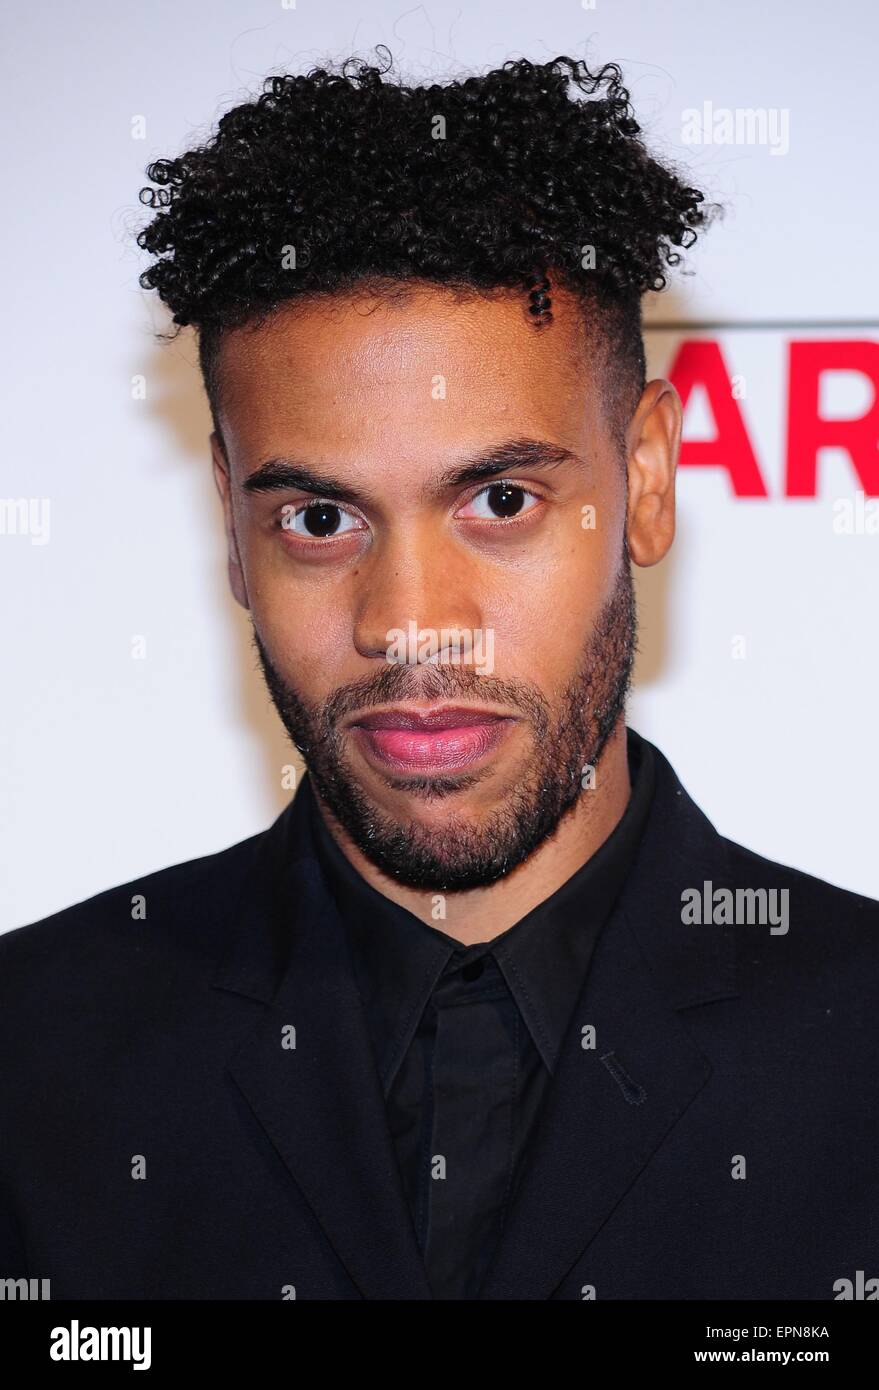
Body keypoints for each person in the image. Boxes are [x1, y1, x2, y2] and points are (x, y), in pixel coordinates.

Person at [2, 52, 877, 1301]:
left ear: (644, 482)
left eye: (501, 500)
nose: (412, 629)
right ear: (230, 529)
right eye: (319, 520)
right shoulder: (35, 1061)